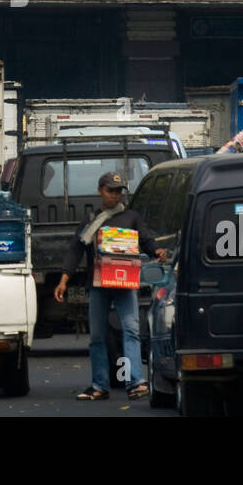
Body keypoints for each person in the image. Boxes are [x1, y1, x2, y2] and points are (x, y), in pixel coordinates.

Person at [55, 172, 166, 401]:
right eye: (110, 190)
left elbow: (146, 240)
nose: (114, 195)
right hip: (98, 285)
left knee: (131, 331)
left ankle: (136, 382)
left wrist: (156, 250)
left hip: (124, 284)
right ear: (100, 191)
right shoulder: (90, 221)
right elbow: (76, 250)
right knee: (97, 336)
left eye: (118, 191)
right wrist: (64, 280)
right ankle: (99, 386)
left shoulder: (131, 217)